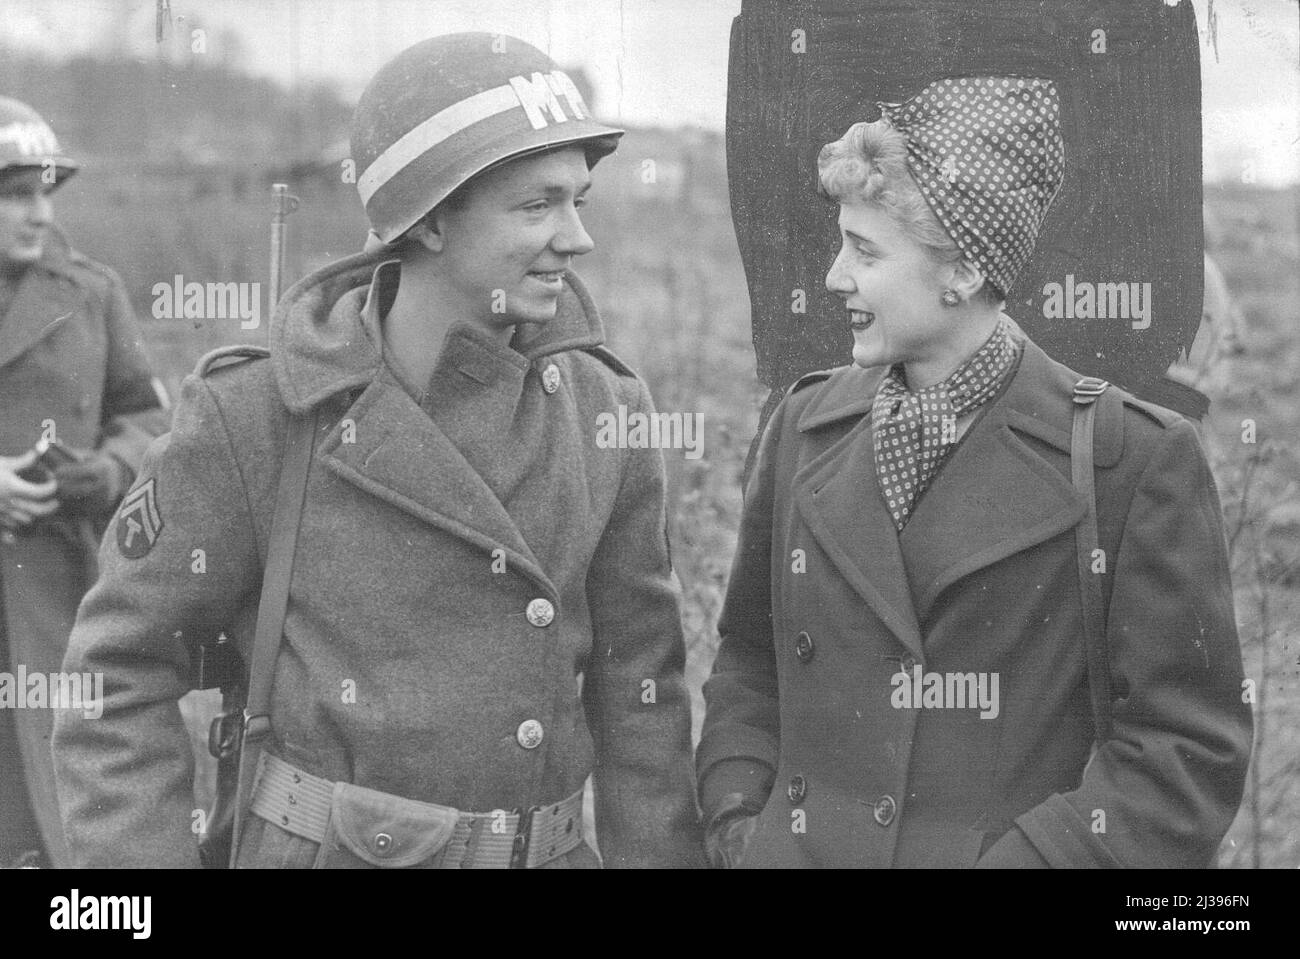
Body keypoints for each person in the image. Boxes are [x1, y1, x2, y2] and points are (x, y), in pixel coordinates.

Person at [53, 34, 703, 868]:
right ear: (428, 219)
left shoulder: (603, 409)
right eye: (537, 205)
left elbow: (642, 696)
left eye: (580, 200)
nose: (576, 238)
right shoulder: (261, 410)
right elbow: (116, 673)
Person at [695, 77, 1252, 868]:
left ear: (960, 271)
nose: (833, 277)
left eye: (865, 250)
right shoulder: (803, 425)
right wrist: (740, 820)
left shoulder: (1129, 457)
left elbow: (1185, 751)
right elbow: (750, 657)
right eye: (840, 242)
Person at [0, 97, 169, 868]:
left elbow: (145, 415)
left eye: (45, 192)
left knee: (65, 810)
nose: (38, 214)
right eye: (13, 194)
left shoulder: (91, 294)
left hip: (61, 590)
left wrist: (107, 471)